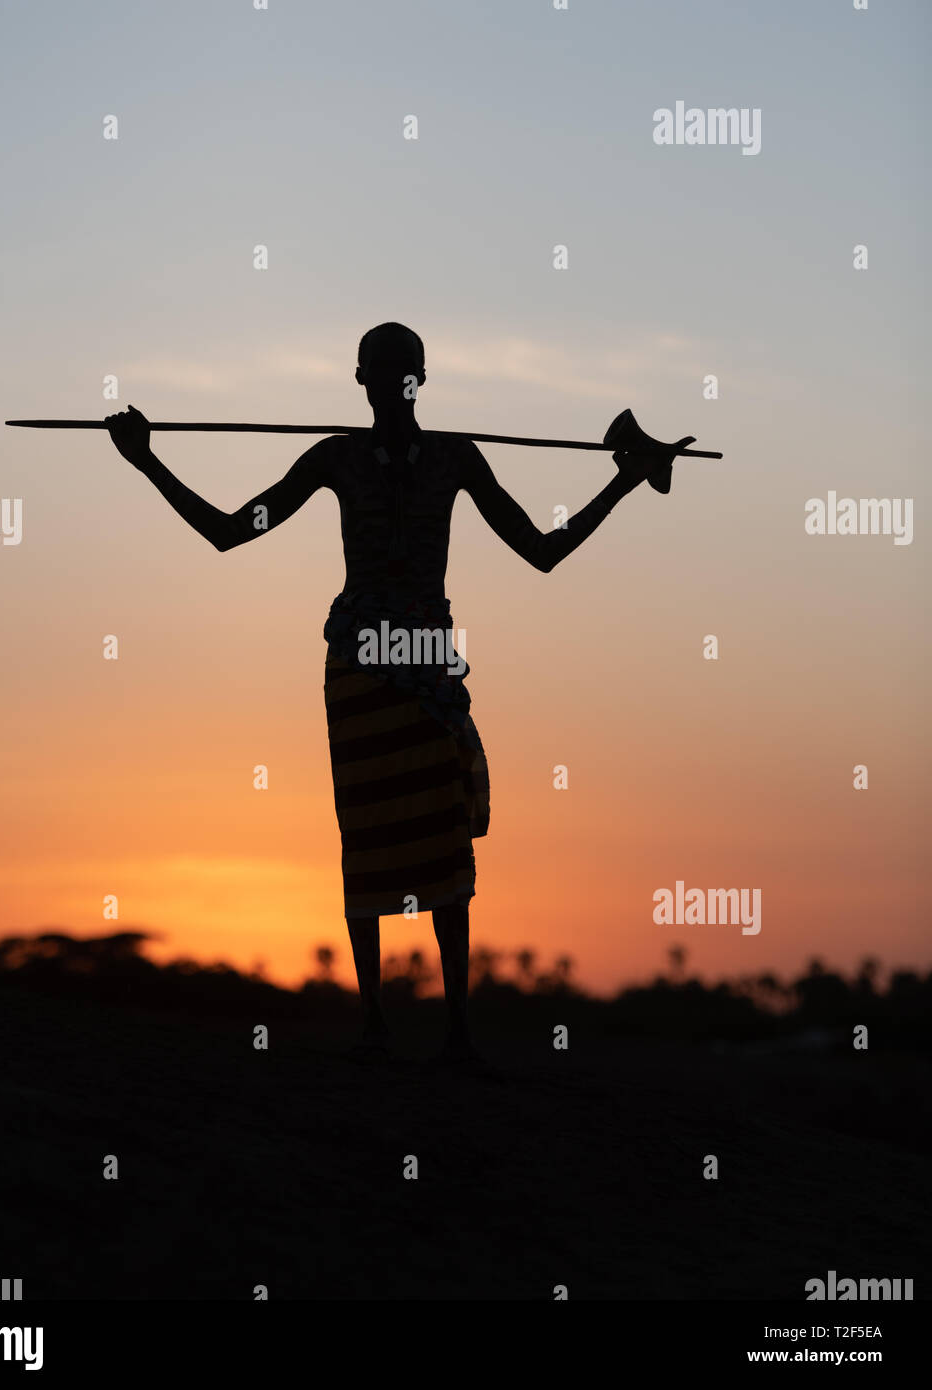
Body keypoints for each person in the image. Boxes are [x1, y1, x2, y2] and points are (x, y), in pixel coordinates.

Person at [105, 322, 685, 1064]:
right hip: (365, 662)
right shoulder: (341, 458)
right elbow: (228, 532)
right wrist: (147, 463)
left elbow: (542, 551)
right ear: (363, 380)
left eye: (399, 370)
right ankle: (382, 1022)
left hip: (419, 660)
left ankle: (453, 1029)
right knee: (370, 831)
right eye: (382, 371)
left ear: (414, 378)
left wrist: (625, 480)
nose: (389, 382)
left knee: (439, 834)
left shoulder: (447, 458)